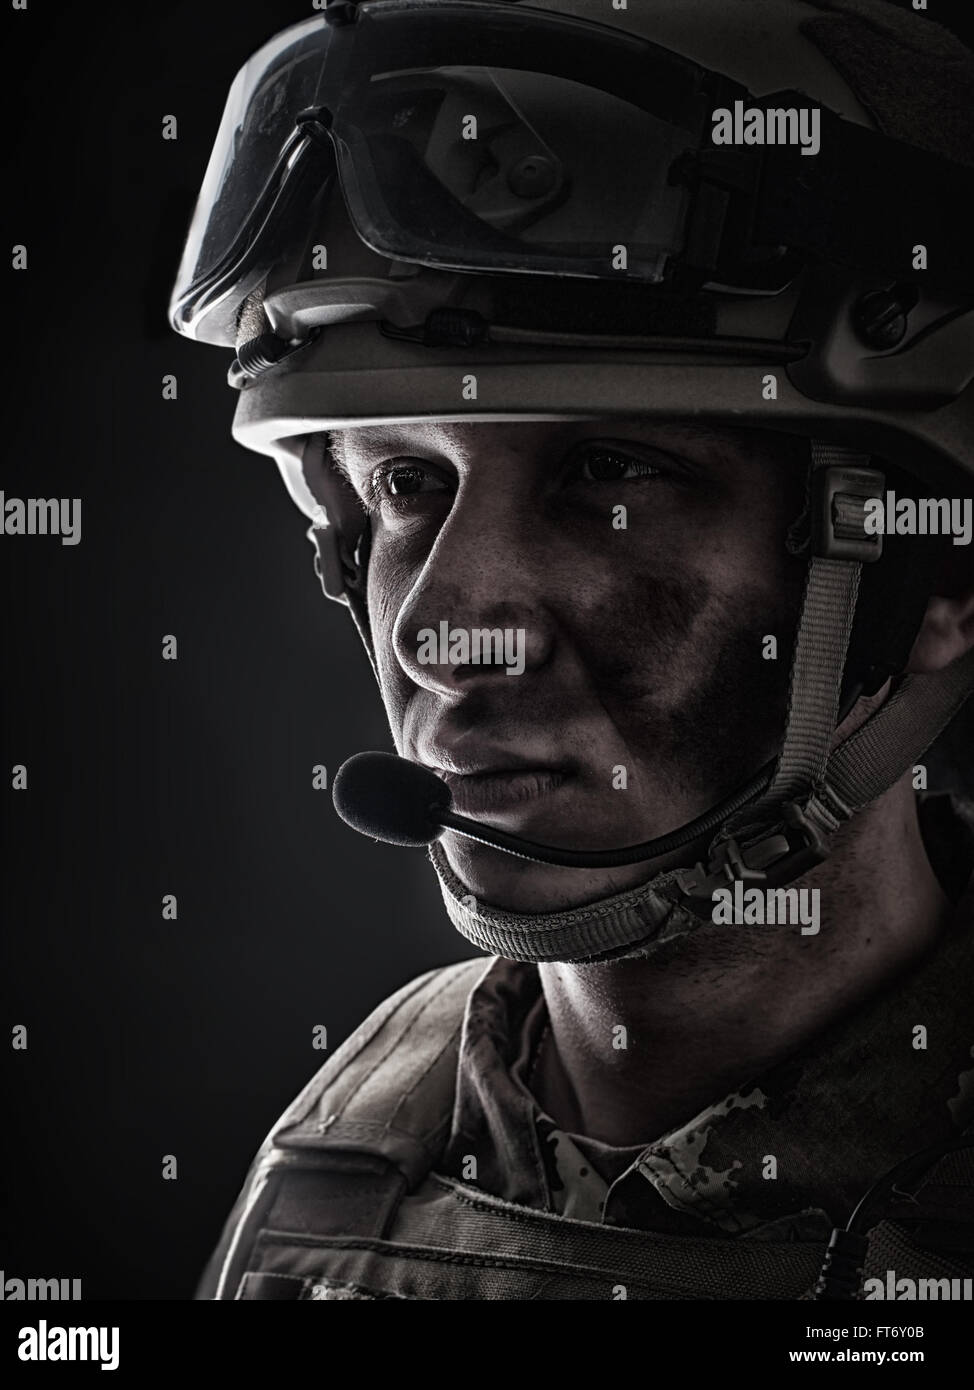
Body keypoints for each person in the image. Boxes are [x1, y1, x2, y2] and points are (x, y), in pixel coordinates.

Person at [170, 0, 974, 1300]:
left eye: (607, 474)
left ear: (941, 580)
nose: (441, 630)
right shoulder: (353, 1136)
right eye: (404, 486)